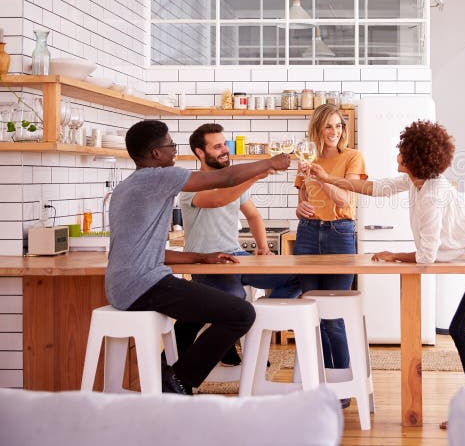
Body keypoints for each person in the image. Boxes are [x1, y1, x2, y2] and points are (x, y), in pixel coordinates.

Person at [304, 120, 465, 427]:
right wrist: (329, 178)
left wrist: (394, 256)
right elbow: (373, 188)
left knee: (462, 329)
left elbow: (427, 258)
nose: (398, 152)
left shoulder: (431, 194)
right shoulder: (416, 182)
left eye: (402, 149)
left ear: (415, 156)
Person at [106, 120, 290, 395]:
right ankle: (178, 379)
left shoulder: (126, 187)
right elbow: (225, 178)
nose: (174, 152)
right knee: (241, 313)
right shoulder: (159, 177)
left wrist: (201, 257)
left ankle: (165, 370)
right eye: (171, 146)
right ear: (155, 154)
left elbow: (143, 250)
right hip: (143, 285)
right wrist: (268, 163)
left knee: (197, 311)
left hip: (124, 285)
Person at [174, 123, 301, 366]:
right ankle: (229, 340)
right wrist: (253, 175)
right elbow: (219, 200)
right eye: (218, 146)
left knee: (294, 277)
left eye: (225, 145)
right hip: (206, 261)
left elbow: (253, 216)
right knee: (235, 297)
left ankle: (257, 326)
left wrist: (263, 246)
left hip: (237, 256)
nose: (225, 150)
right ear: (200, 152)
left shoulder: (234, 184)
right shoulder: (191, 185)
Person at [293, 104, 367, 405]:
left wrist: (323, 177)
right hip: (308, 233)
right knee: (312, 313)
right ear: (317, 129)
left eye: (338, 126)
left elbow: (345, 197)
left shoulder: (352, 157)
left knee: (334, 316)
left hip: (339, 234)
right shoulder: (306, 158)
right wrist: (299, 207)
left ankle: (342, 385)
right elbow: (303, 195)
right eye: (328, 126)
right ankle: (320, 381)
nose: (334, 132)